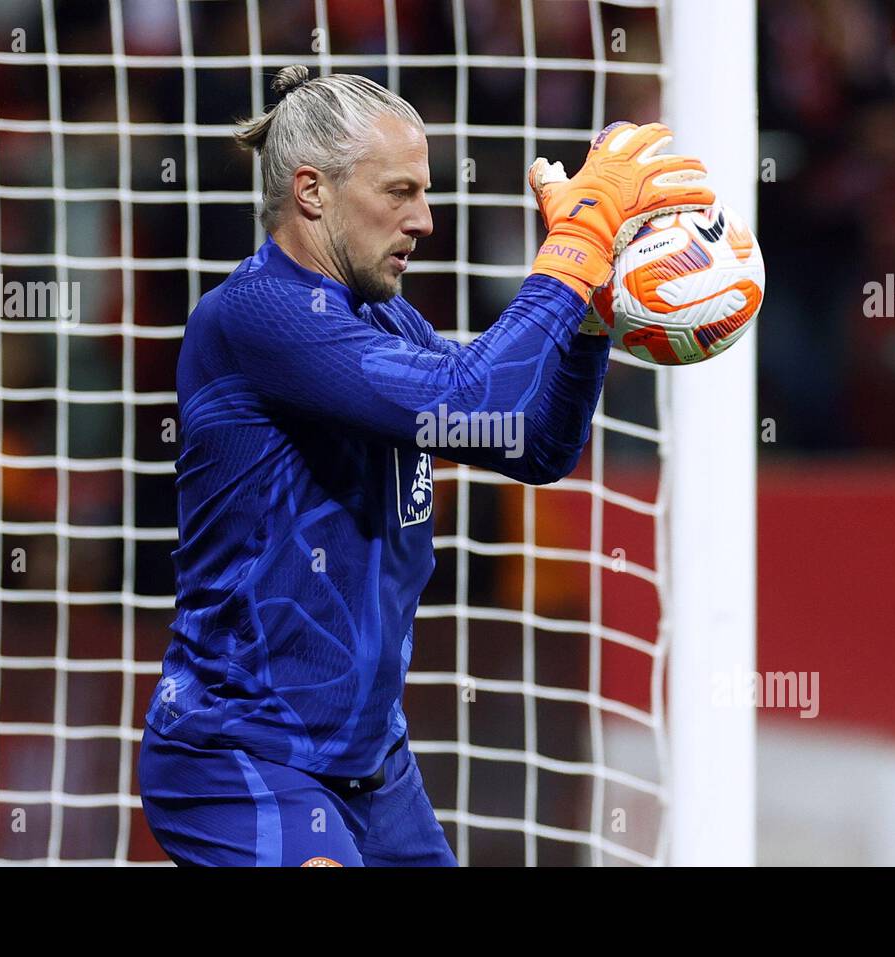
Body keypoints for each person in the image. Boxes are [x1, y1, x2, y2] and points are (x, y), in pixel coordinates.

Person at [136, 64, 713, 866]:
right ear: (313, 191)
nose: (427, 220)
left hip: (372, 765)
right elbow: (468, 391)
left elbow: (534, 443)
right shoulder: (256, 315)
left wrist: (589, 322)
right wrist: (575, 244)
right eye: (400, 192)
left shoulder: (385, 320)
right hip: (242, 758)